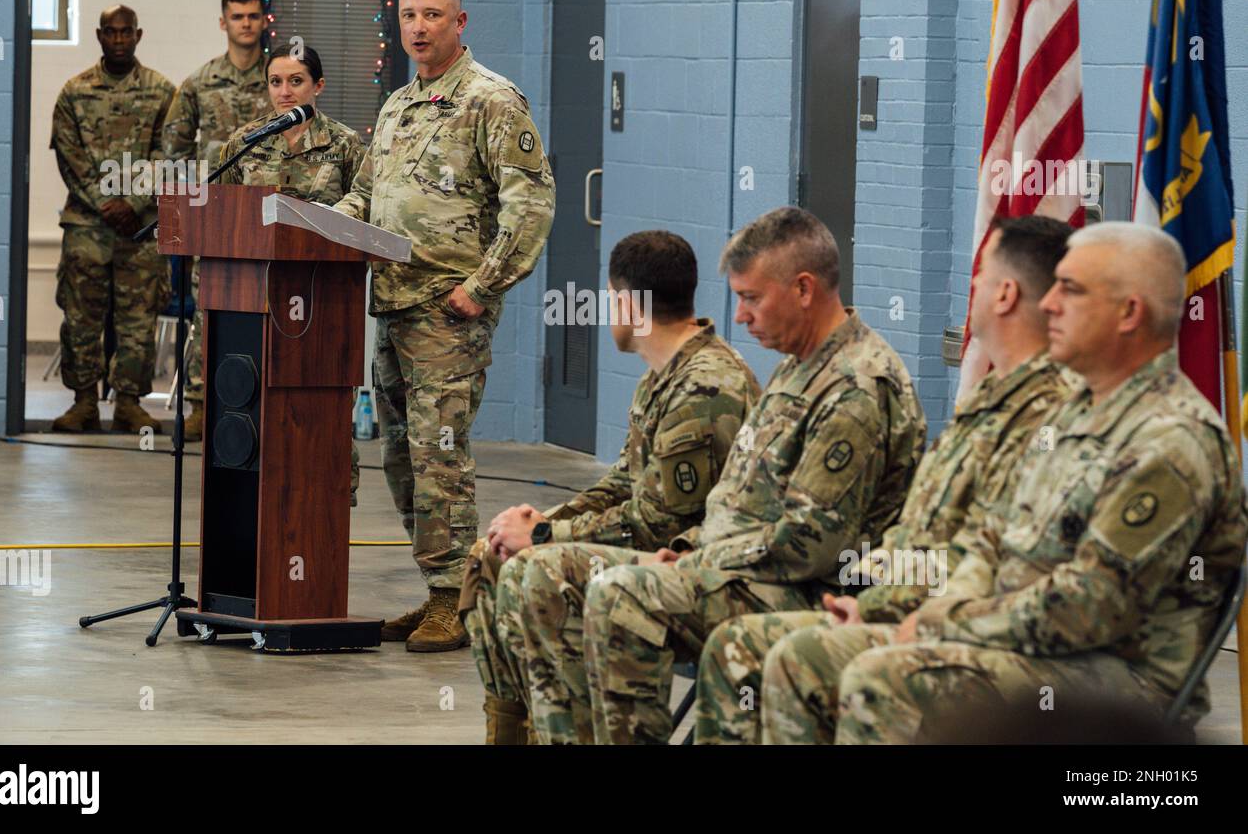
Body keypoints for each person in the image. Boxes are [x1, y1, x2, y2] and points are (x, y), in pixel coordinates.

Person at [759, 223, 1247, 744]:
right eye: (1055, 284)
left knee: (881, 680)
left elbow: (1087, 608)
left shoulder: (1169, 441)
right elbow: (988, 543)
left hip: (1114, 686)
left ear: (1130, 313)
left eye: (1072, 289)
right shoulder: (1073, 416)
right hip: (1016, 645)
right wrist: (918, 611)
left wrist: (943, 624)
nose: (1050, 303)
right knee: (801, 659)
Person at [531, 206, 926, 743]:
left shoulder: (854, 387)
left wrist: (705, 556)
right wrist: (692, 543)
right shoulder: (798, 366)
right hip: (747, 571)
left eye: (751, 297)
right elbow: (744, 501)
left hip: (815, 590)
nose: (739, 317)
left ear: (804, 289)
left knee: (623, 593)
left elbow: (810, 543)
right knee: (561, 577)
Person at [694, 214, 1074, 743]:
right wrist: (873, 601)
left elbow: (996, 561)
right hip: (902, 599)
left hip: (987, 638)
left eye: (979, 277)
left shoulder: (1051, 416)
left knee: (797, 658)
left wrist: (889, 610)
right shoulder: (987, 402)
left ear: (1006, 294)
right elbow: (919, 534)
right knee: (750, 647)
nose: (971, 290)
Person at [459, 230, 761, 743]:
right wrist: (540, 523)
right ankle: (514, 732)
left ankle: (569, 732)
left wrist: (546, 539)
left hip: (689, 566)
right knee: (488, 554)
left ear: (627, 303)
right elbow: (623, 482)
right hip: (654, 548)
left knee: (535, 571)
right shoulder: (662, 374)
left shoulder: (705, 388)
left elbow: (659, 522)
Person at [333, 0, 556, 652]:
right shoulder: (400, 105)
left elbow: (531, 202)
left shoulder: (492, 100)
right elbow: (366, 198)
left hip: (446, 312)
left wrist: (483, 286)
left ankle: (456, 601)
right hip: (392, 306)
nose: (418, 27)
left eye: (433, 15)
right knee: (402, 460)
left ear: (461, 24)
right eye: (408, 15)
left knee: (440, 459)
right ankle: (442, 588)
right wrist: (306, 229)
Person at [217, 43, 366, 502]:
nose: (285, 91)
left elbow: (364, 219)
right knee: (256, 398)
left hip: (324, 300)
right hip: (255, 301)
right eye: (276, 82)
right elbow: (223, 218)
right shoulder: (245, 142)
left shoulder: (344, 145)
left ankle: (331, 493)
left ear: (318, 86)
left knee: (320, 399)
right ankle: (258, 485)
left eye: (296, 81)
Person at [50, 5, 175, 434]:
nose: (119, 40)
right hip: (87, 224)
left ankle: (128, 402)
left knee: (138, 316)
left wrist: (134, 202)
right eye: (111, 32)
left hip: (140, 226)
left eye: (126, 32)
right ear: (99, 35)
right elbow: (70, 155)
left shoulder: (162, 91)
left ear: (138, 35)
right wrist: (107, 203)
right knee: (80, 316)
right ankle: (83, 401)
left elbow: (169, 153)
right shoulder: (74, 91)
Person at [161, 0, 269, 442]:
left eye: (253, 16)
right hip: (218, 221)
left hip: (269, 218)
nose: (246, 23)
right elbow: (173, 150)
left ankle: (264, 405)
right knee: (208, 312)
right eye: (237, 16)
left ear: (265, 21)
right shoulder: (200, 83)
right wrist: (187, 213)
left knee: (268, 311)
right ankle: (202, 406)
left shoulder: (280, 78)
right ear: (223, 23)